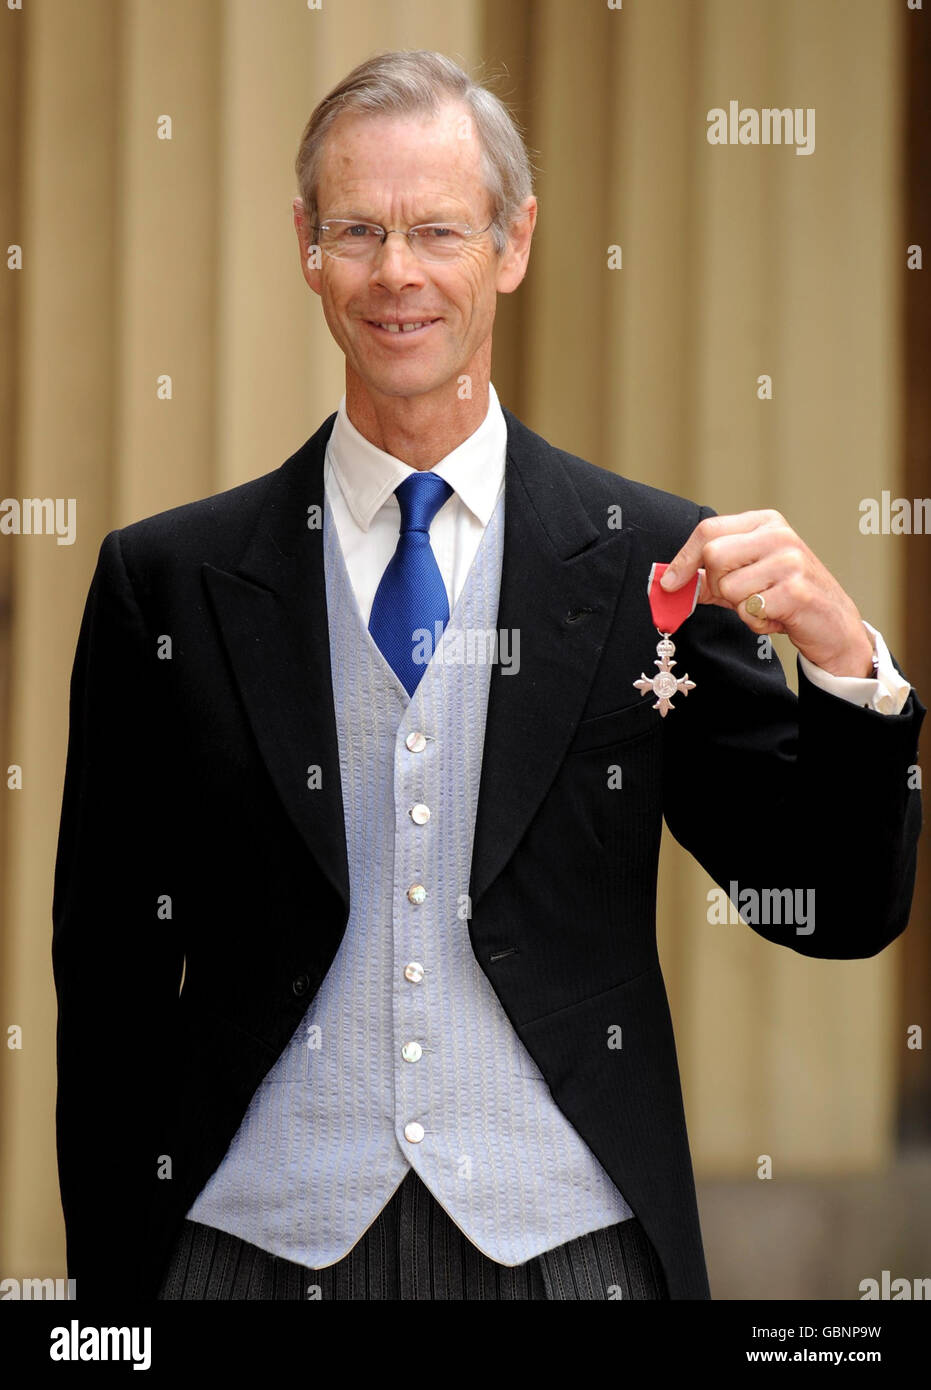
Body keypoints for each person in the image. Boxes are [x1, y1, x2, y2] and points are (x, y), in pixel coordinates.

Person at [52, 50, 924, 1303]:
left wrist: (848, 673)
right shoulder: (168, 583)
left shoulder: (647, 570)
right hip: (250, 1251)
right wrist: (108, 1316)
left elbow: (834, 909)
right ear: (305, 243)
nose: (395, 272)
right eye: (356, 229)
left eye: (437, 230)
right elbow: (112, 995)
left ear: (512, 244)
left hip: (565, 1256)